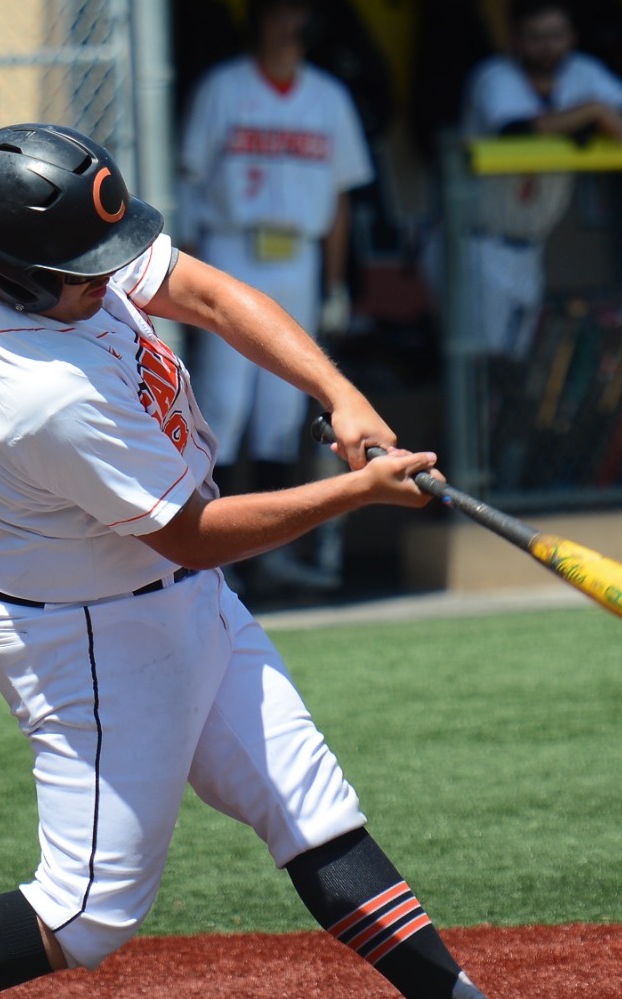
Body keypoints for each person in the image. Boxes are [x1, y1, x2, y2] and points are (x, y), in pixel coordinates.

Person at [0, 123, 622, 999]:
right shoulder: (39, 395)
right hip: (92, 638)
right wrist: (357, 493)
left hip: (168, 602)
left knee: (309, 807)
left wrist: (339, 392)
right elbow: (191, 536)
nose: (104, 283)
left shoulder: (2, 255)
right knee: (82, 914)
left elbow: (202, 291)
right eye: (80, 274)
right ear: (19, 276)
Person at [178, 0, 373, 590]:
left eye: (298, 14)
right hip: (232, 248)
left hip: (299, 255)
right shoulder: (223, 88)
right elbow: (188, 181)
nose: (287, 24)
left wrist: (336, 283)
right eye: (277, 12)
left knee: (282, 410)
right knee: (223, 405)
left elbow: (340, 199)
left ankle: (264, 553)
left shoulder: (330, 96)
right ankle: (213, 547)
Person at [462, 0, 622, 361]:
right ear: (515, 41)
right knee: (483, 368)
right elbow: (515, 132)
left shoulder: (582, 73)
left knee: (516, 365)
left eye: (555, 35)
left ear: (572, 38)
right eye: (535, 37)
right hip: (479, 245)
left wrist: (587, 121)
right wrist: (591, 113)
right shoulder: (495, 76)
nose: (547, 46)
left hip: (530, 249)